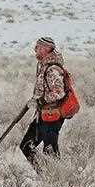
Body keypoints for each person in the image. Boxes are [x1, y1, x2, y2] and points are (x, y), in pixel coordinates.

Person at [20, 36, 67, 166]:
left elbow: (59, 92)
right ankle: (45, 175)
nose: (35, 49)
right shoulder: (43, 65)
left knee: (49, 150)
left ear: (47, 49)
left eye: (39, 47)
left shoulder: (52, 69)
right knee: (27, 145)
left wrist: (40, 101)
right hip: (44, 113)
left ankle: (54, 178)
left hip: (53, 114)